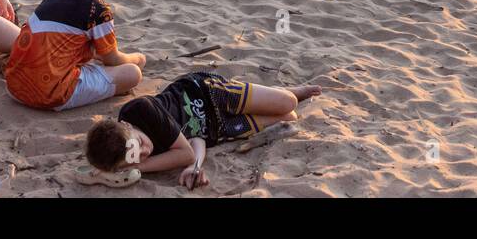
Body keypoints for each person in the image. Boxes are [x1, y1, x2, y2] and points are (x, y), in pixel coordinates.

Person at [84, 71, 320, 187]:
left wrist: (140, 165)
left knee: (288, 102)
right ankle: (277, 96)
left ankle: (293, 90)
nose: (143, 152)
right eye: (134, 157)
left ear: (125, 126)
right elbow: (194, 143)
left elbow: (182, 152)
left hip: (205, 95)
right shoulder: (129, 152)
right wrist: (194, 167)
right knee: (289, 116)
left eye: (137, 146)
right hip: (214, 130)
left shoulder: (140, 110)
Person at [5, 0, 145, 112]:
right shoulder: (99, 11)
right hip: (50, 94)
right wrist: (138, 58)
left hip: (14, 87)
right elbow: (112, 59)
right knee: (133, 72)